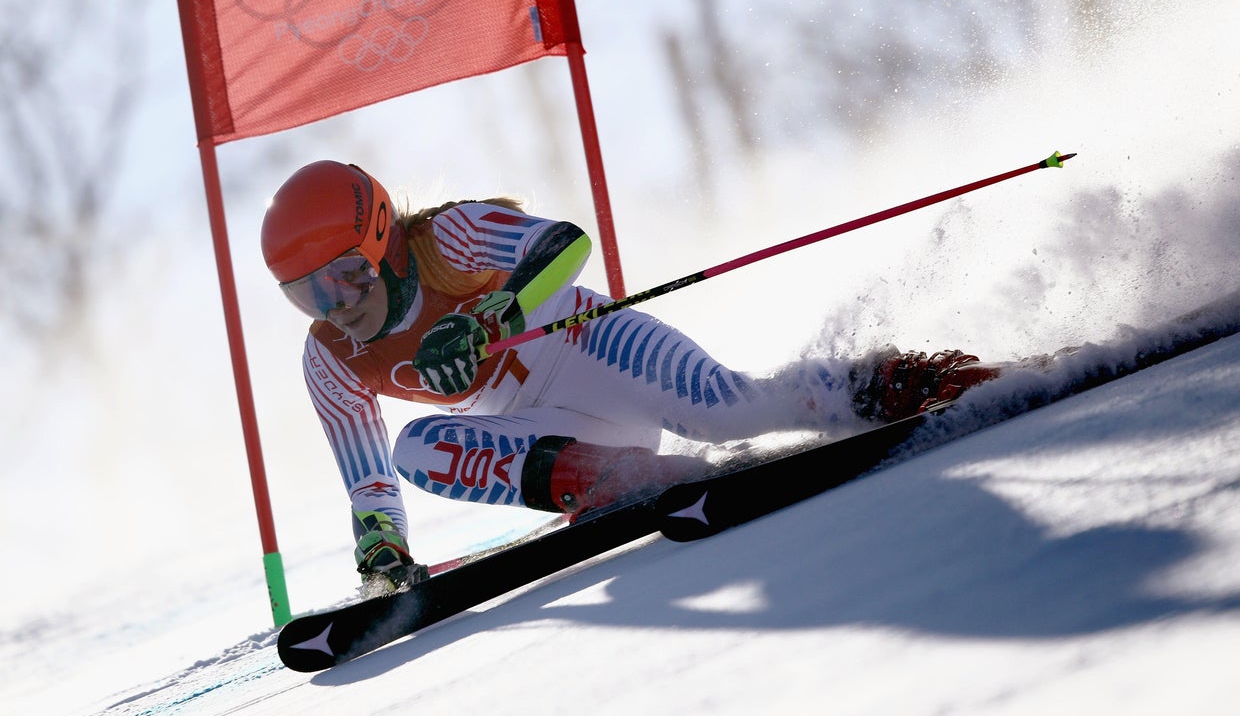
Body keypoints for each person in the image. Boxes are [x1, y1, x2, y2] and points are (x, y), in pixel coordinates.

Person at [261, 160, 996, 590]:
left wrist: (493, 318)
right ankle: (615, 480)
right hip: (543, 434)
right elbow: (368, 481)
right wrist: (381, 550)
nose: (339, 305)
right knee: (415, 448)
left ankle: (902, 382)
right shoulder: (330, 358)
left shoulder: (445, 239)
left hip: (588, 347)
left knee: (727, 412)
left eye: (348, 275)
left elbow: (563, 242)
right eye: (309, 295)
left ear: (383, 238)